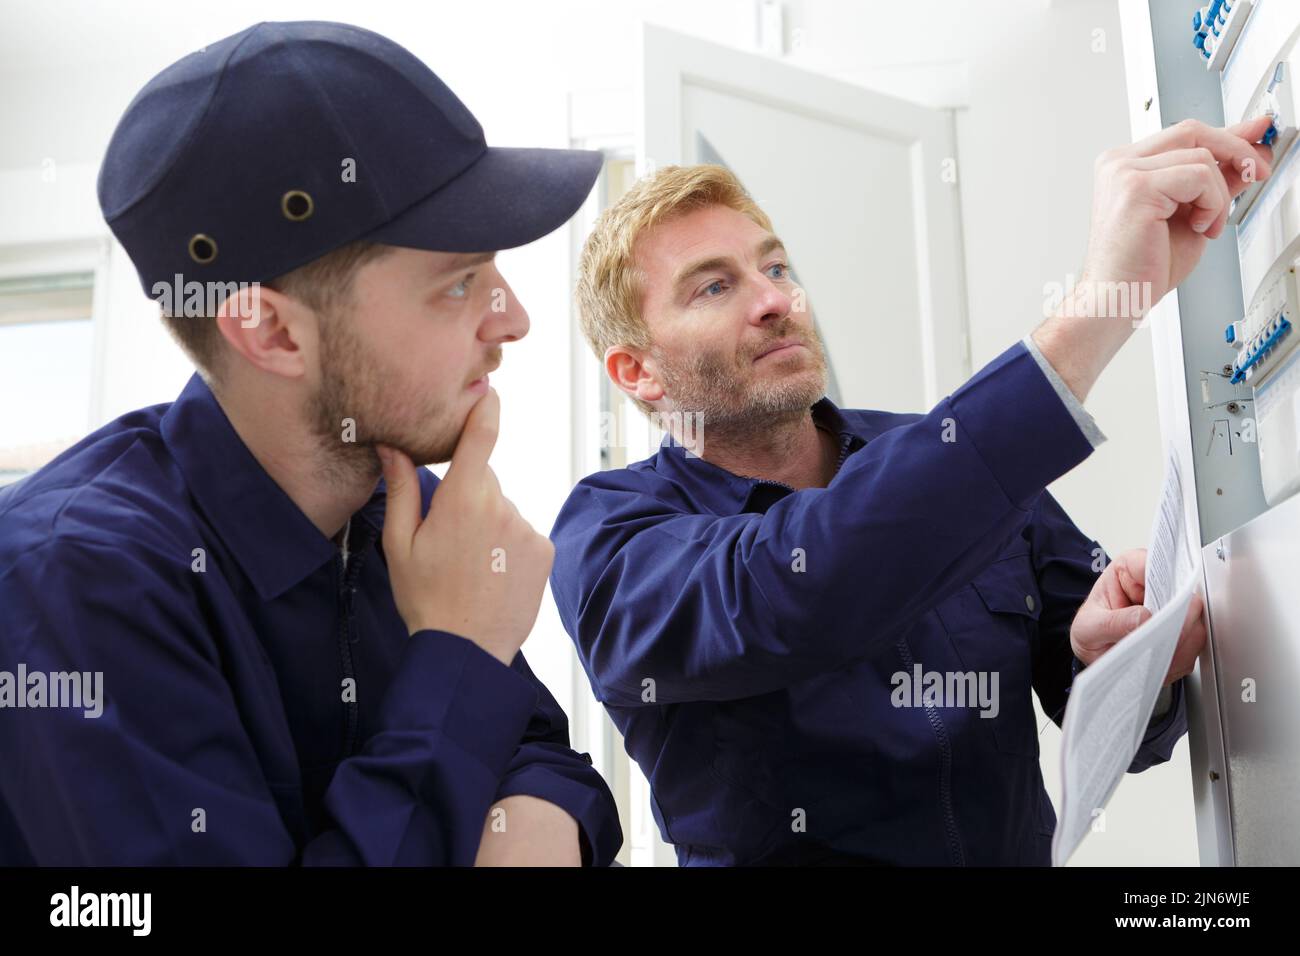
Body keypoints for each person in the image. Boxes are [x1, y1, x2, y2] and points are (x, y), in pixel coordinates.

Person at [550, 117, 1275, 865]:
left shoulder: (935, 455)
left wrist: (1115, 659)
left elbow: (1129, 731)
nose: (774, 300)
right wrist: (1096, 313)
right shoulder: (607, 540)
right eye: (713, 286)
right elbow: (802, 584)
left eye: (777, 269)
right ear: (638, 372)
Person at [0, 20, 621, 866]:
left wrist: (522, 822)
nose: (514, 319)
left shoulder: (401, 503)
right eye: (460, 282)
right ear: (272, 334)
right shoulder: (73, 580)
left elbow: (547, 760)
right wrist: (464, 651)